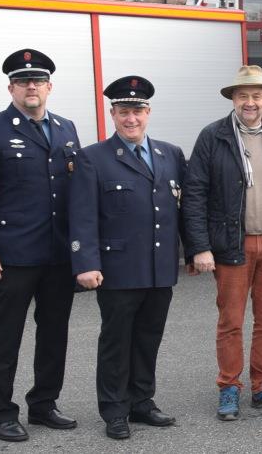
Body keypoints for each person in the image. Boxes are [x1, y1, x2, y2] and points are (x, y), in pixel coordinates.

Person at [0, 49, 81, 442]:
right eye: (23, 81)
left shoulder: (66, 129)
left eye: (38, 81)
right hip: (10, 256)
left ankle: (44, 404)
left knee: (54, 333)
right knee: (3, 337)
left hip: (57, 255)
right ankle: (2, 413)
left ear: (49, 86)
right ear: (11, 87)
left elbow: (73, 192)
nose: (32, 87)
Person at [181, 66, 262, 421]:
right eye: (243, 95)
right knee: (231, 321)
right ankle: (229, 387)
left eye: (257, 95)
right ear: (233, 99)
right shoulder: (213, 137)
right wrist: (199, 246)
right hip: (231, 245)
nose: (250, 102)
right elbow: (194, 194)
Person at [70, 76, 187, 440]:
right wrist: (86, 263)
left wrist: (195, 250)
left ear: (148, 112)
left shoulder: (171, 154)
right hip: (118, 269)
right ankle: (114, 410)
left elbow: (183, 209)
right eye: (123, 112)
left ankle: (141, 401)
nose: (131, 118)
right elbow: (83, 215)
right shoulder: (92, 158)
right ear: (112, 114)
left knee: (149, 337)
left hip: (159, 268)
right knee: (116, 341)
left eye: (137, 110)